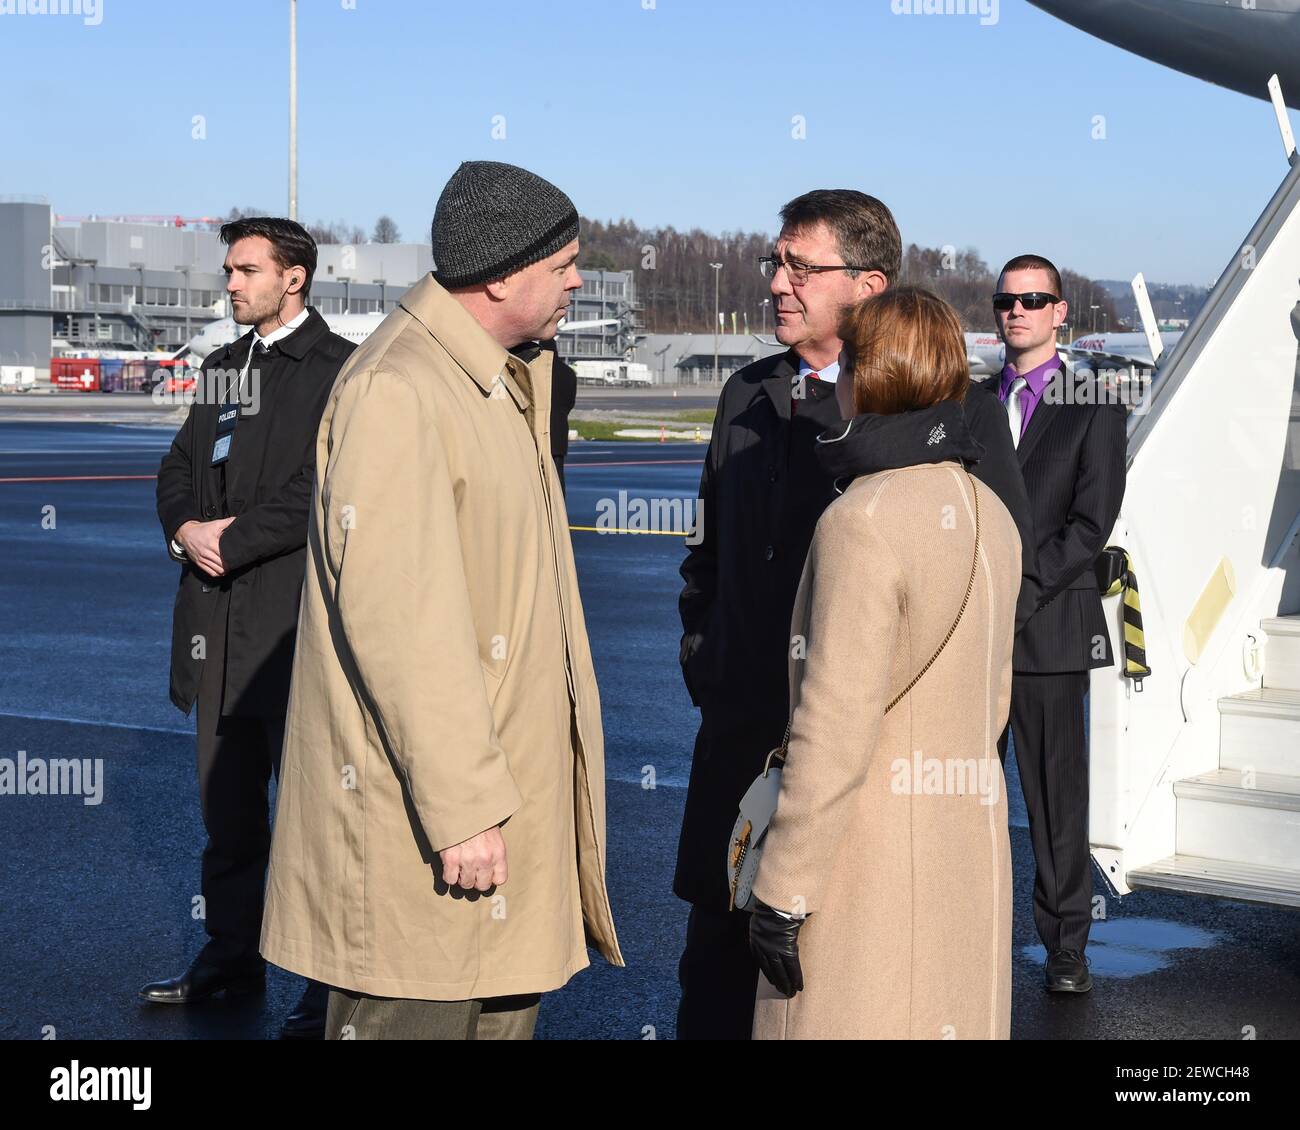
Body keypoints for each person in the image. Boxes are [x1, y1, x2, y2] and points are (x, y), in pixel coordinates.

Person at [259, 160, 623, 1040]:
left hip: (488, 825)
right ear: (501, 273)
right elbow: (403, 627)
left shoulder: (494, 377)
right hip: (435, 835)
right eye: (563, 262)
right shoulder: (402, 388)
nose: (578, 279)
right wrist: (463, 811)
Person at [673, 189, 1038, 1039]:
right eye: (776, 261)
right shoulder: (747, 393)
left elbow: (997, 591)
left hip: (868, 787)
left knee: (842, 995)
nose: (777, 282)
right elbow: (708, 558)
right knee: (715, 990)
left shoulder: (962, 414)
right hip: (740, 757)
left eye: (803, 266)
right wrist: (708, 660)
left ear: (870, 285)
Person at [747, 286, 1022, 1039]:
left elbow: (832, 729)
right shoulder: (990, 511)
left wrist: (782, 889)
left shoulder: (861, 521)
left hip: (868, 867)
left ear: (869, 378)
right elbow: (991, 703)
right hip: (964, 846)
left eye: (844, 364)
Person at [146, 218, 355, 1039]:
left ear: (294, 278)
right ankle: (232, 960)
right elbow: (177, 468)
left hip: (293, 634)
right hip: (216, 632)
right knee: (228, 819)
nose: (230, 284)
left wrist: (227, 539)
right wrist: (184, 531)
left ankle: (327, 984)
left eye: (246, 271)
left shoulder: (340, 371)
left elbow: (322, 489)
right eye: (228, 271)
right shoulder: (225, 367)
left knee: (317, 823)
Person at [991, 254, 1127, 994]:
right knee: (960, 793)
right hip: (975, 636)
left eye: (1033, 300)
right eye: (1006, 301)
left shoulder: (1094, 403)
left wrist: (1022, 589)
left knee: (1054, 806)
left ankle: (1066, 948)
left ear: (1060, 312)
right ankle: (965, 930)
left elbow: (1090, 525)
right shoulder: (976, 405)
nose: (1018, 311)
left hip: (1047, 631)